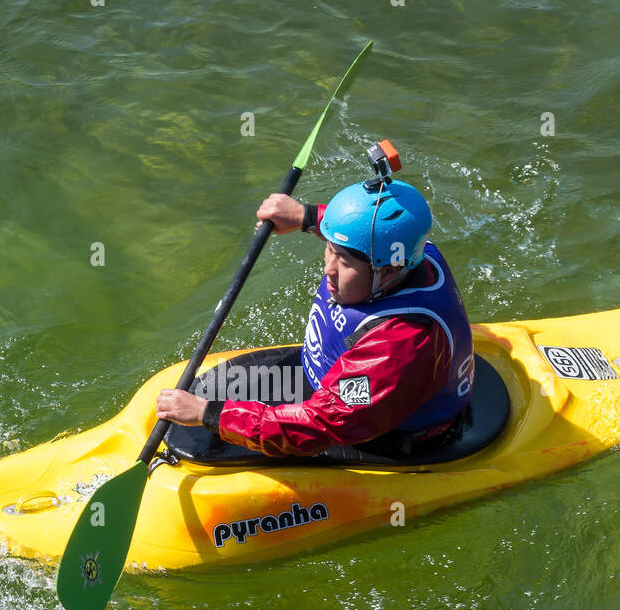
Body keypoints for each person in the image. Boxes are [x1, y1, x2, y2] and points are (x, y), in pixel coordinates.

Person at [155, 175, 474, 458]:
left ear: (388, 271)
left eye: (344, 262)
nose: (328, 269)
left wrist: (207, 414)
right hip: (332, 383)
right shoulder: (410, 252)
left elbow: (323, 423)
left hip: (380, 431)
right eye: (330, 249)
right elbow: (361, 234)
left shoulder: (400, 343)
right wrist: (304, 217)